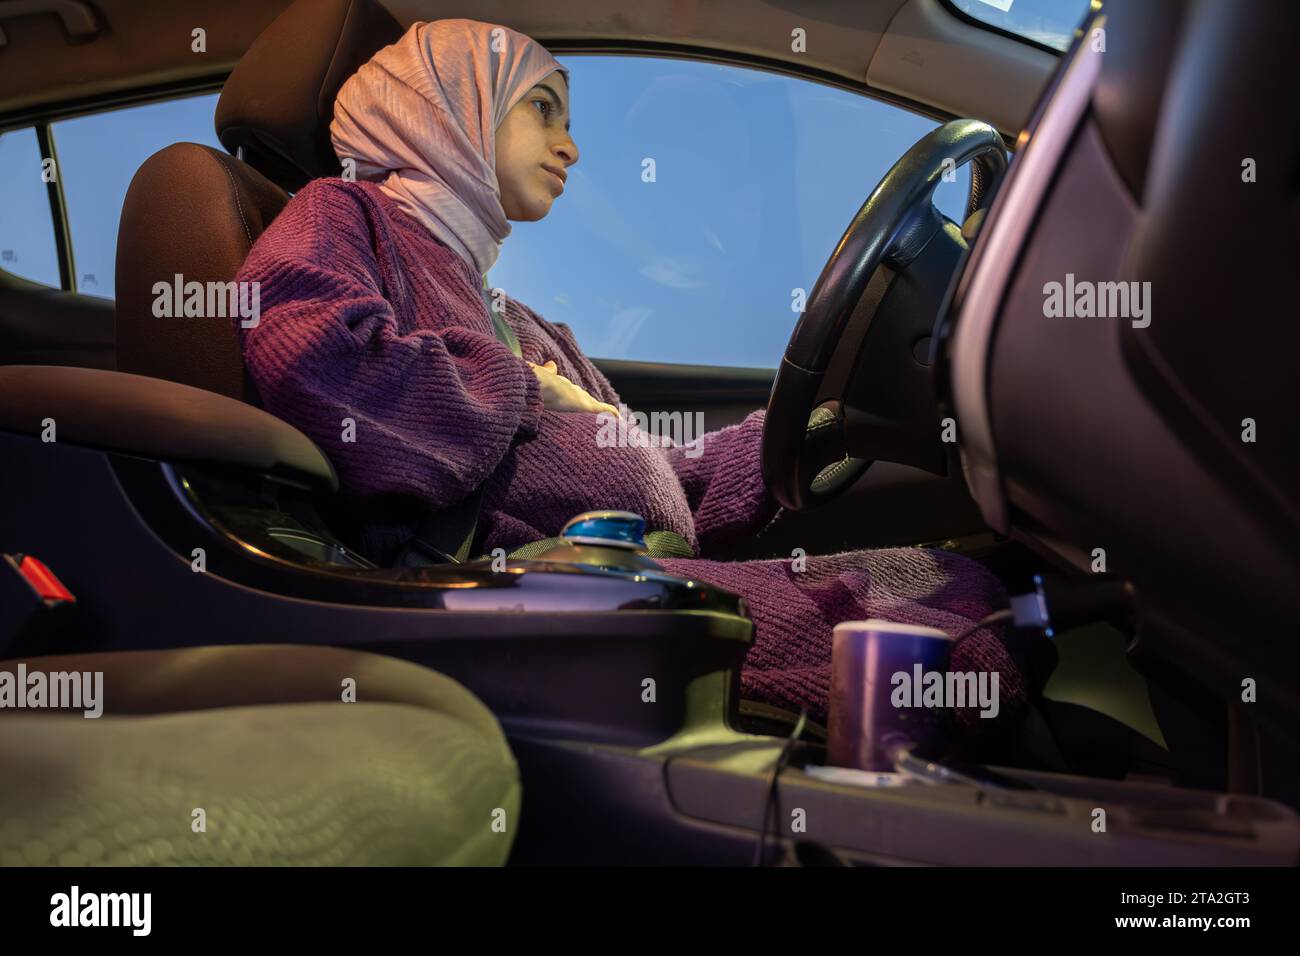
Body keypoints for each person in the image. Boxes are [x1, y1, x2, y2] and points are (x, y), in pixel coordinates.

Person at [234, 18, 1022, 730]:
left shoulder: (518, 315)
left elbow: (648, 465)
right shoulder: (344, 214)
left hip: (630, 575)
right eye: (542, 110)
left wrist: (818, 422)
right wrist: (523, 385)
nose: (570, 147)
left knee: (953, 584)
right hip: (522, 599)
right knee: (936, 641)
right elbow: (318, 361)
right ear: (448, 105)